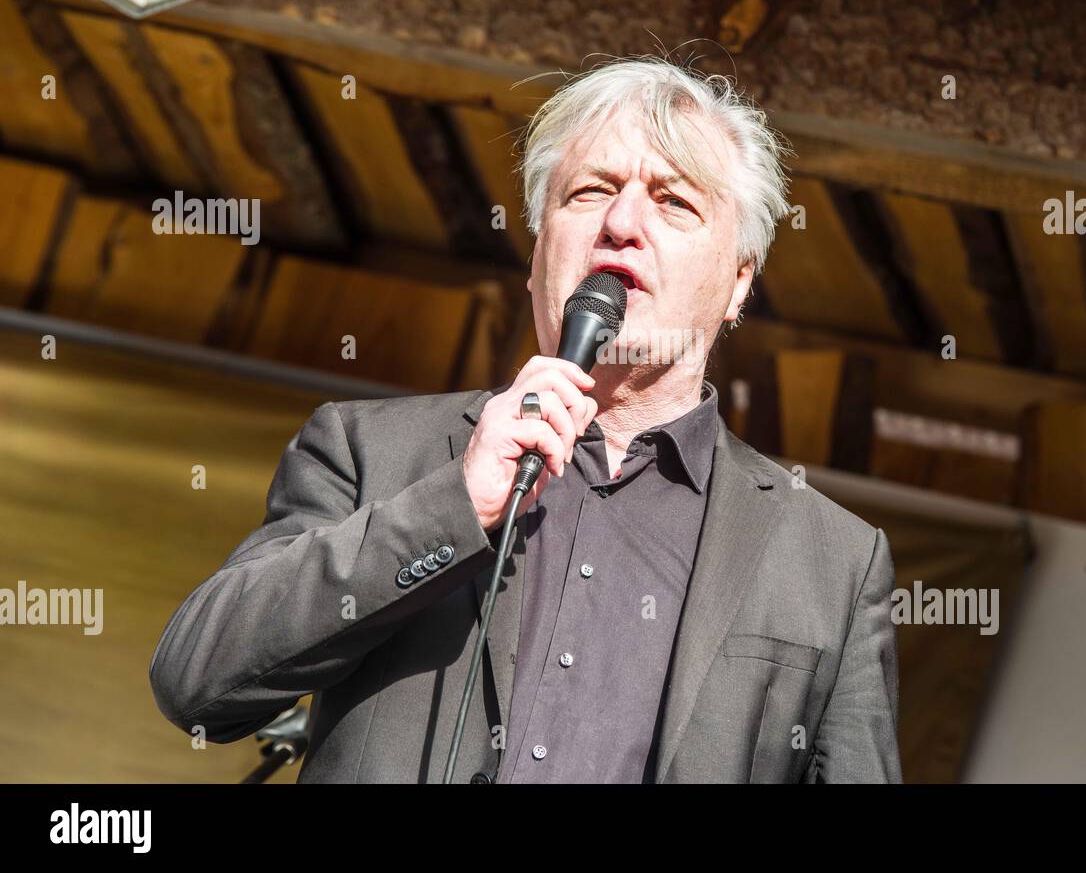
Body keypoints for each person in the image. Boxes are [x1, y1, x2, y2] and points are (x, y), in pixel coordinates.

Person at [149, 56, 901, 783]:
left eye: (675, 201)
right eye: (590, 191)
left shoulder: (832, 562)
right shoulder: (371, 449)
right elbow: (197, 686)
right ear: (540, 253)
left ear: (739, 278)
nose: (622, 222)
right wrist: (452, 505)